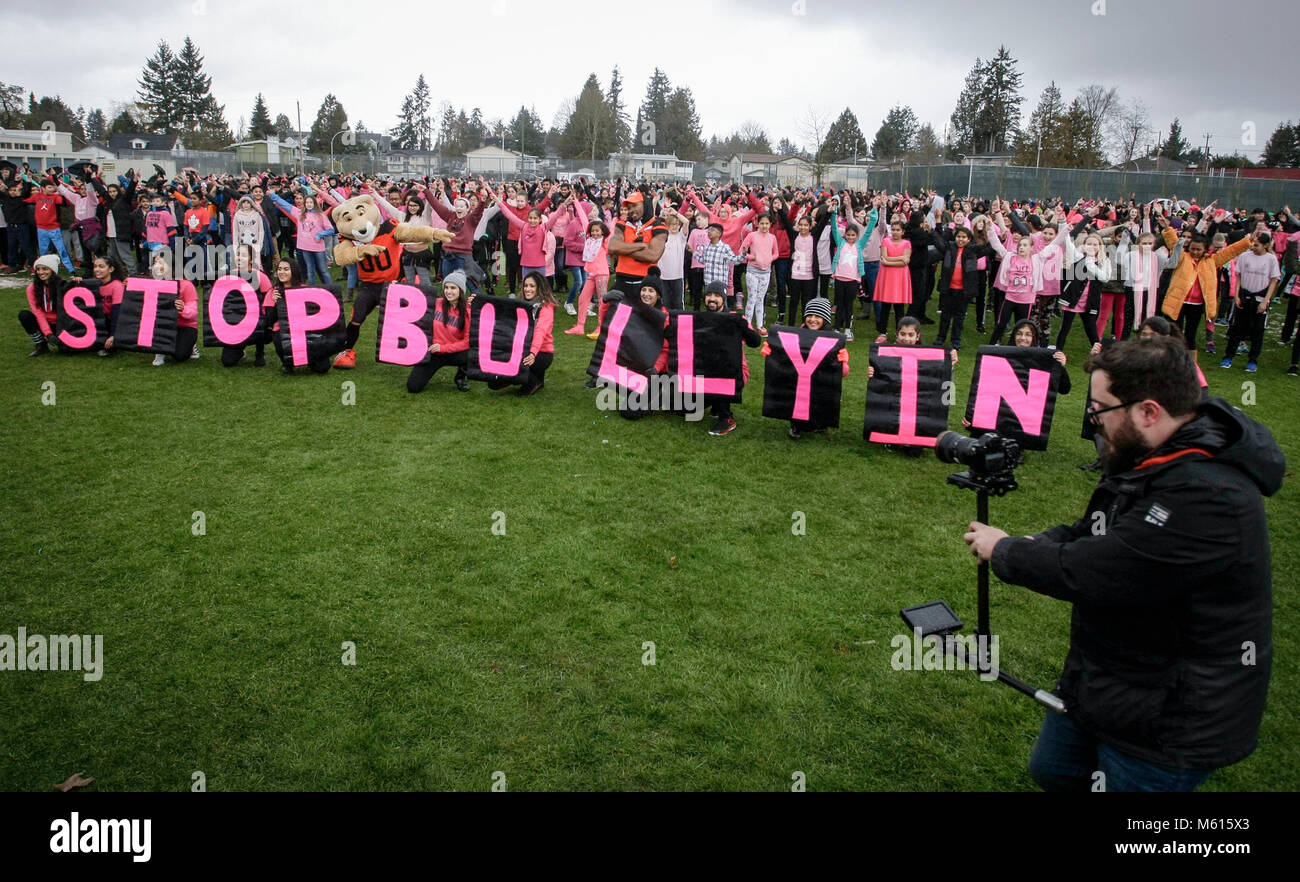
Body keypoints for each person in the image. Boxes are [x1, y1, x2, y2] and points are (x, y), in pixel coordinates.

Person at [963, 336, 1282, 792]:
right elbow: (1100, 527)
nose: (1093, 421)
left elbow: (1103, 570)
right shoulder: (1154, 453)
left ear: (1149, 411)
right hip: (1109, 680)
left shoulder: (1209, 494)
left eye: (1101, 409)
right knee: (1054, 770)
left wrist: (1009, 551)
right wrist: (1039, 540)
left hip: (1170, 717)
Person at [768, 296, 848, 440]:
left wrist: (842, 361)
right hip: (799, 383)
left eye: (818, 316)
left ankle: (819, 422)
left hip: (819, 382)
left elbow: (842, 372)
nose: (812, 319)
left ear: (826, 319)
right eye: (809, 315)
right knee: (796, 396)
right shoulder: (795, 336)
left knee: (820, 399)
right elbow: (783, 358)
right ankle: (796, 424)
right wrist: (772, 351)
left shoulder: (833, 340)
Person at [701, 281, 762, 436]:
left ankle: (725, 417)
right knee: (686, 410)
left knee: (721, 367)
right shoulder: (701, 319)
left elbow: (755, 342)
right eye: (709, 295)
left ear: (724, 298)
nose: (712, 299)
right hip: (706, 370)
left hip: (734, 371)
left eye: (716, 295)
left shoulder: (734, 318)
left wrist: (743, 326)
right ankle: (716, 404)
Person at [1220, 232, 1281, 373]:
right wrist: (1236, 295)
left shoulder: (1271, 259)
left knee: (1257, 331)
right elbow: (1239, 276)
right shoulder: (1244, 256)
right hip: (1244, 295)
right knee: (1236, 328)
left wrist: (1266, 300)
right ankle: (1228, 356)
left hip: (1260, 297)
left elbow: (1273, 281)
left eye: (1257, 245)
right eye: (1253, 244)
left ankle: (1253, 360)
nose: (1253, 247)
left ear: (1266, 245)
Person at [406, 269, 471, 393]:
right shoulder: (436, 303)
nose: (448, 291)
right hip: (433, 352)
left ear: (461, 290)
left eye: (453, 288)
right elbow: (411, 302)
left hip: (453, 352)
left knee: (472, 353)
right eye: (446, 287)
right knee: (413, 387)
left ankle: (460, 377)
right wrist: (395, 289)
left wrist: (443, 348)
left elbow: (467, 341)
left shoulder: (468, 311)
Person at [146, 251, 200, 366]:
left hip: (185, 326)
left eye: (161, 263)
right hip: (162, 325)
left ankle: (190, 346)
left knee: (180, 356)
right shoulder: (150, 285)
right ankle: (160, 351)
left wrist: (183, 309)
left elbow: (194, 313)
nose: (157, 266)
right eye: (155, 263)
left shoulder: (186, 285)